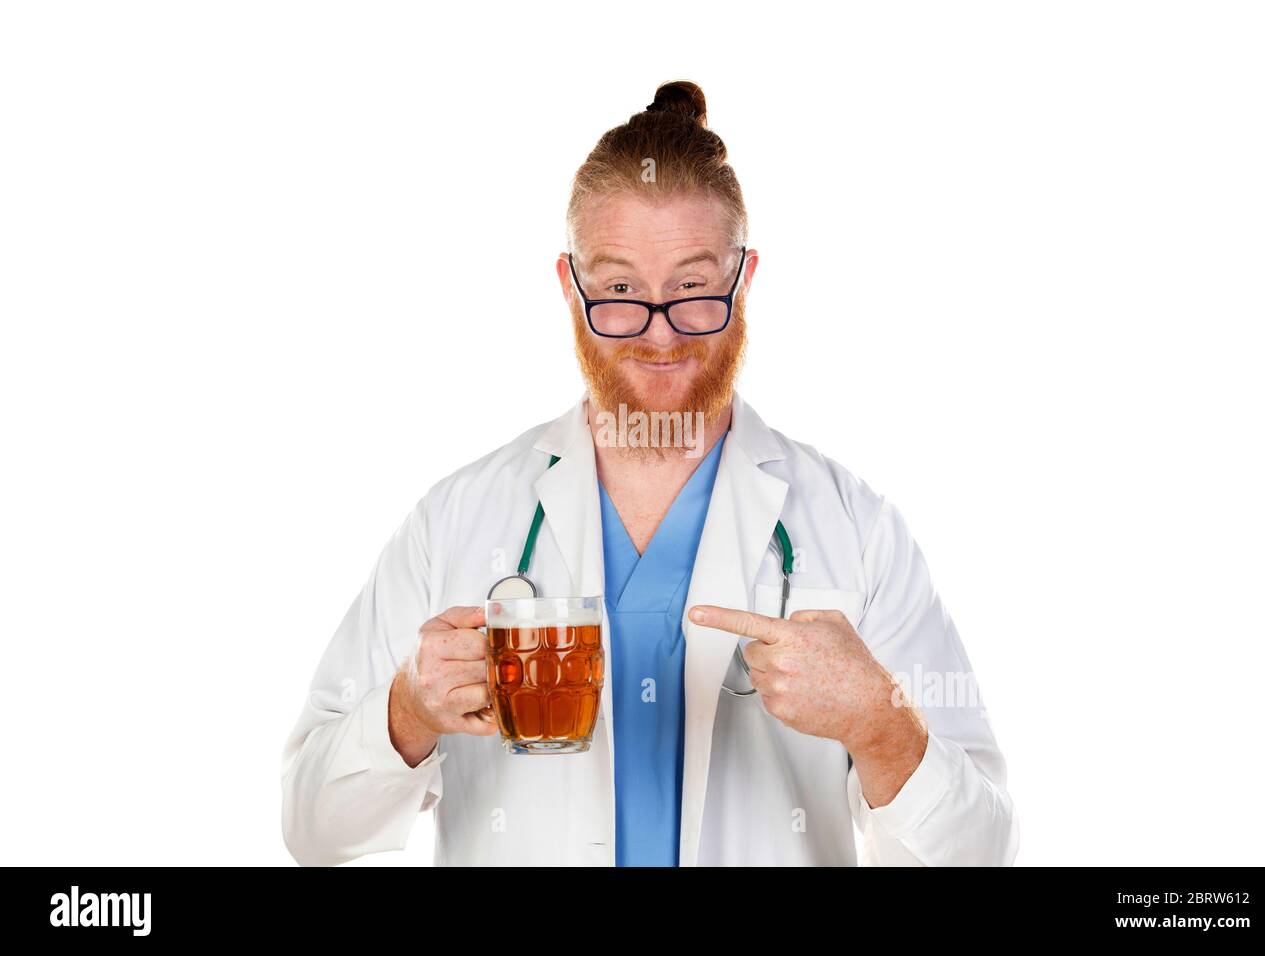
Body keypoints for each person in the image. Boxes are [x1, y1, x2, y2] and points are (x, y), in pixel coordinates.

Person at [281, 80, 1018, 867]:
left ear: (744, 280)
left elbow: (983, 854)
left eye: (694, 286)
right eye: (622, 289)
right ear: (572, 286)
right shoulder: (456, 519)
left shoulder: (856, 528)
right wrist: (406, 712)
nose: (658, 333)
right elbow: (312, 829)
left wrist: (881, 720)